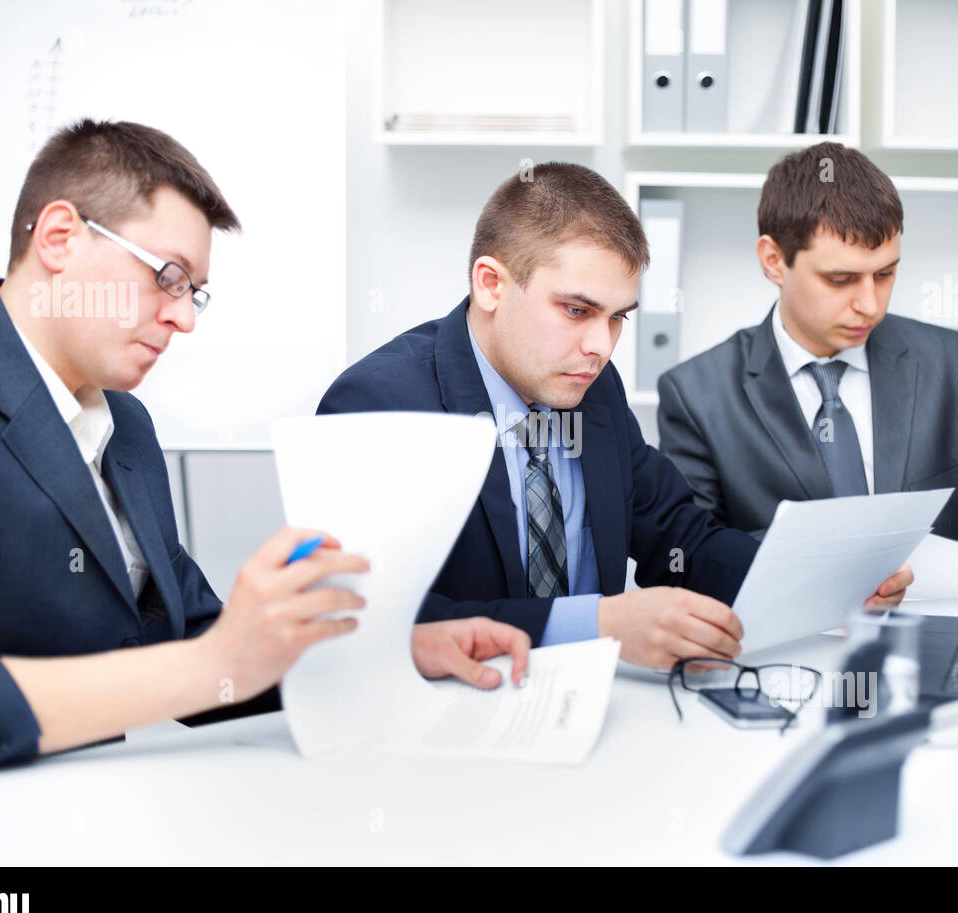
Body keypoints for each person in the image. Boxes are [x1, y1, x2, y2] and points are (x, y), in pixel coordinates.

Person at [0, 120, 527, 781]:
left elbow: (195, 634)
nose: (183, 318)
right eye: (167, 276)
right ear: (59, 238)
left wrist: (393, 653)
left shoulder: (123, 425)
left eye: (194, 292)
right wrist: (209, 666)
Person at [317, 162, 912, 672]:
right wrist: (596, 624)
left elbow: (680, 537)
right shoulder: (377, 404)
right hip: (452, 735)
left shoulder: (591, 388)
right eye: (577, 310)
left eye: (618, 317)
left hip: (596, 715)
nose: (601, 345)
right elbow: (371, 623)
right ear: (491, 284)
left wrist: (824, 581)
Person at [656, 142, 958, 601]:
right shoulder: (697, 394)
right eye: (840, 279)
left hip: (935, 647)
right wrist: (826, 570)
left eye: (885, 274)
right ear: (774, 260)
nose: (870, 304)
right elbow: (687, 557)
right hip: (783, 658)